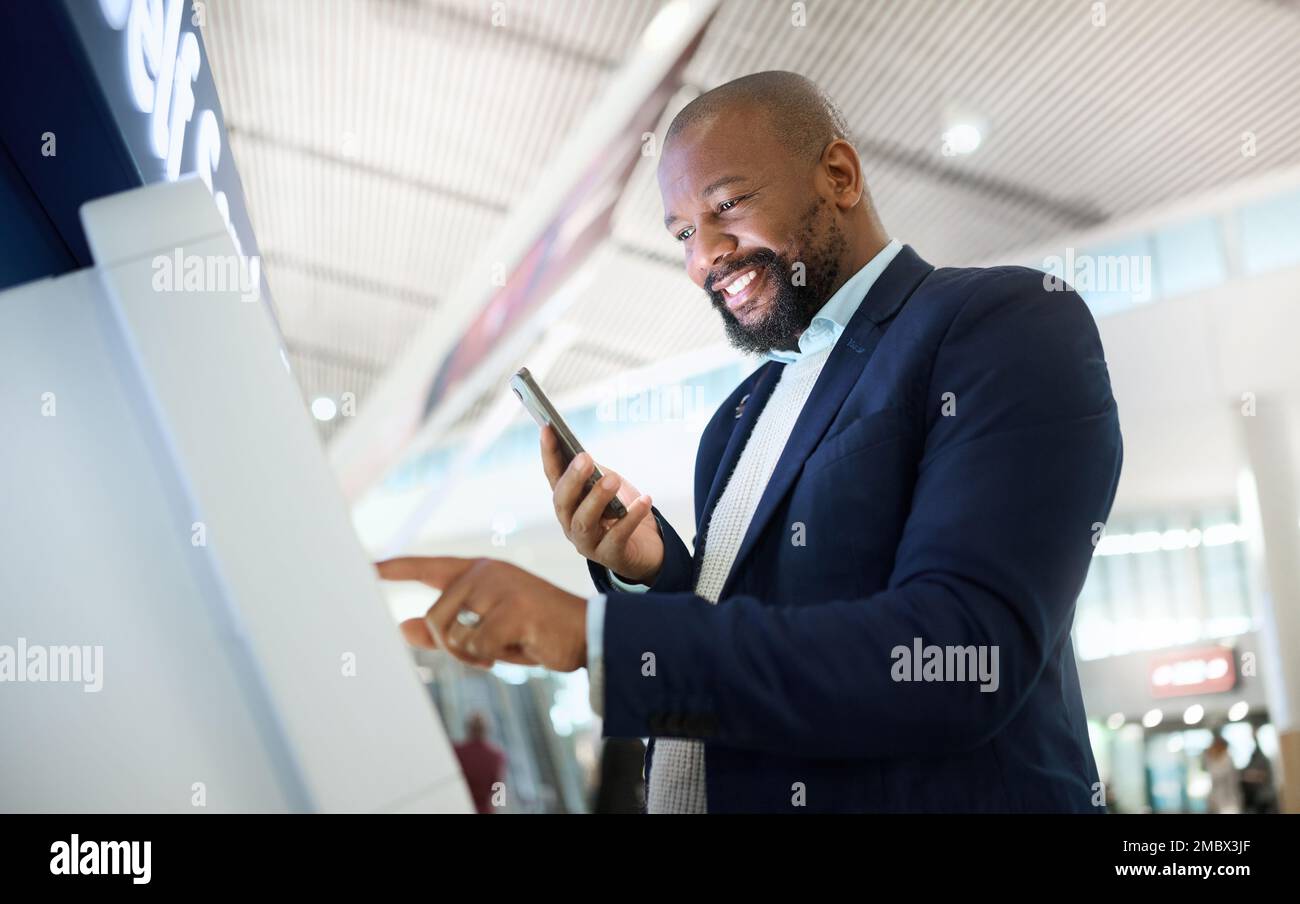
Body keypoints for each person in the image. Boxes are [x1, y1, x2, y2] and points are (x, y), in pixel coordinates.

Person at [378, 71, 1123, 813]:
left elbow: (962, 659)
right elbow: (773, 625)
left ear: (838, 174)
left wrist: (598, 636)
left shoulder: (1001, 324)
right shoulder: (739, 416)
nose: (705, 257)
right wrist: (651, 573)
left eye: (727, 205)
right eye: (681, 234)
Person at [452, 712, 506, 814]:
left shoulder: (457, 751)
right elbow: (497, 788)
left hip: (460, 806)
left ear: (468, 728)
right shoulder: (497, 756)